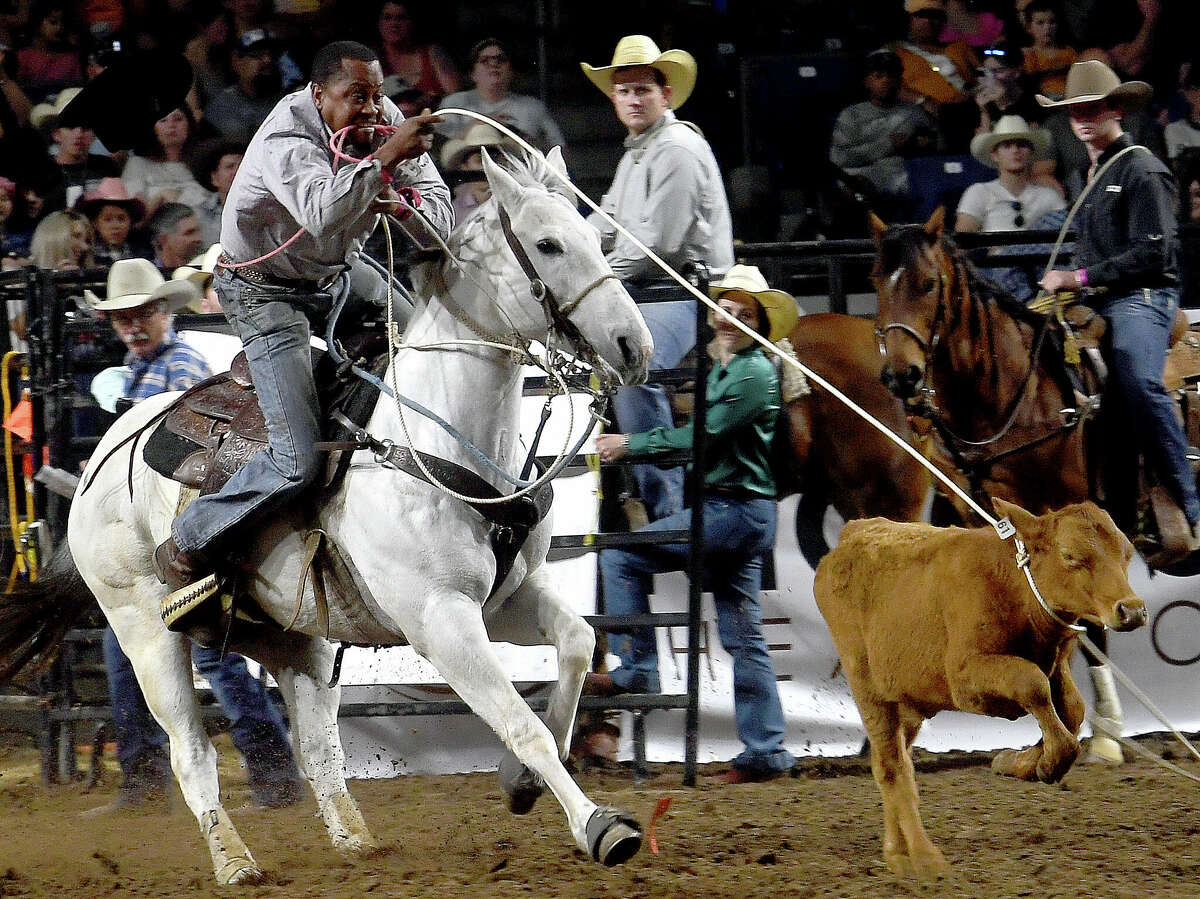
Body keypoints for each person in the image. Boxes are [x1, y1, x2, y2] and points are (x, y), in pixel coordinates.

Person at [155, 40, 452, 630]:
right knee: (294, 460)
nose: (371, 109)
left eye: (377, 95)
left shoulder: (384, 123)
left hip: (336, 275)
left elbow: (440, 218)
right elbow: (320, 210)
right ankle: (188, 540)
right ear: (319, 96)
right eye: (355, 97)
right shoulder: (285, 139)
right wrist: (387, 160)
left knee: (430, 342)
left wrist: (404, 205)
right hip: (264, 292)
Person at [82, 258, 303, 814]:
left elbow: (195, 466)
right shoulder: (147, 373)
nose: (132, 327)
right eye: (122, 319)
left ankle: (268, 773)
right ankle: (151, 776)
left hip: (189, 540)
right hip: (165, 542)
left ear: (163, 312)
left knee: (212, 656)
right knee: (134, 651)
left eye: (141, 314)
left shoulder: (179, 372)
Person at [586, 265, 798, 785]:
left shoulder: (749, 373)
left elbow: (701, 438)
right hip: (740, 513)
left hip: (730, 512)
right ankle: (765, 751)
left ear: (757, 325)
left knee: (620, 554)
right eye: (727, 308)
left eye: (742, 313)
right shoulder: (734, 370)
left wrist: (632, 444)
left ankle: (637, 667)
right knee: (743, 634)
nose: (729, 317)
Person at [1038, 60, 1200, 560]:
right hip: (1099, 299)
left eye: (1093, 109)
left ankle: (1191, 502)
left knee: (1136, 379)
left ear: (1114, 110)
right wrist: (1073, 287)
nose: (1084, 119)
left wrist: (1078, 278)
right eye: (1075, 112)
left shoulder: (1142, 167)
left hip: (1143, 297)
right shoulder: (1088, 171)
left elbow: (1155, 250)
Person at [581, 34, 733, 523]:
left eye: (642, 89)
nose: (632, 98)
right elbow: (602, 226)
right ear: (613, 98)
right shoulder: (637, 154)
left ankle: (664, 503)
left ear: (665, 95)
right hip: (654, 288)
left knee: (633, 362)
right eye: (624, 90)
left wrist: (592, 283)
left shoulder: (677, 149)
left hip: (692, 292)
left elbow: (656, 246)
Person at [956, 115, 1064, 299]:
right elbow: (963, 242)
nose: (1015, 151)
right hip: (997, 276)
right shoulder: (979, 192)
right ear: (995, 155)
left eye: (1021, 145)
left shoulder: (1049, 196)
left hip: (1043, 273)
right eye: (1007, 146)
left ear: (1031, 152)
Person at [829, 49, 936, 215]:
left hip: (904, 173)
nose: (886, 81)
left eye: (891, 76)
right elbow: (839, 158)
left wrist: (922, 144)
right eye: (878, 76)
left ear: (900, 80)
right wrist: (888, 145)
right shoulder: (851, 115)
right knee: (855, 188)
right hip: (862, 176)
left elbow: (938, 144)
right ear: (867, 81)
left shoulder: (914, 112)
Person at [437, 38, 566, 154]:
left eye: (501, 59)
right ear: (472, 74)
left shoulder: (532, 107)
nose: (494, 64)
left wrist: (515, 134)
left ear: (511, 71)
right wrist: (481, 124)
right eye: (484, 60)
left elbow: (560, 150)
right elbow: (440, 148)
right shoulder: (454, 104)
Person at [887, 0, 980, 150]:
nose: (928, 21)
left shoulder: (960, 47)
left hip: (970, 109)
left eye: (934, 16)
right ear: (909, 20)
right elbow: (891, 86)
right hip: (930, 115)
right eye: (921, 16)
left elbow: (982, 76)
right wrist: (923, 101)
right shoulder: (896, 52)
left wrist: (973, 92)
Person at [30, 87, 120, 214]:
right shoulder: (41, 170)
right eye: (70, 126)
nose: (79, 134)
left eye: (85, 127)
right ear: (56, 134)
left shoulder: (107, 167)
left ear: (94, 134)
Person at [120, 106, 210, 219]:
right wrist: (160, 197)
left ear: (189, 125)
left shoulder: (203, 165)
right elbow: (132, 218)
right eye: (163, 120)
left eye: (178, 119)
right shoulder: (137, 165)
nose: (171, 125)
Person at [201, 28, 284, 145]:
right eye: (257, 55)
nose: (267, 60)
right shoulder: (221, 106)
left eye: (273, 55)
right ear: (236, 62)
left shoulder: (288, 102)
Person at [371, 1, 459, 112]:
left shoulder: (432, 53)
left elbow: (456, 95)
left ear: (412, 22)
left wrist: (430, 99)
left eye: (401, 18)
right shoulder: (372, 57)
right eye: (387, 18)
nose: (394, 24)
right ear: (379, 23)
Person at [438, 121, 517, 222]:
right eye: (480, 160)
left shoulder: (516, 202)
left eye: (495, 159)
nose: (489, 167)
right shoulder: (453, 213)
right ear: (465, 166)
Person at [74, 176, 149, 267]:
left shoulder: (142, 255)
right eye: (107, 220)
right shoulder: (86, 256)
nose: (115, 226)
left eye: (121, 219)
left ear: (130, 221)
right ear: (95, 223)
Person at [188, 139, 246, 246]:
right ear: (214, 178)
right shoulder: (198, 214)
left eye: (242, 165)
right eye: (230, 166)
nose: (238, 171)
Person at [1021, 0, 1079, 99]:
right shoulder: (1028, 55)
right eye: (1040, 23)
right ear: (1029, 27)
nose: (1047, 28)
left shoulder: (1068, 52)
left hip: (1070, 97)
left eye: (1052, 22)